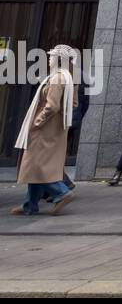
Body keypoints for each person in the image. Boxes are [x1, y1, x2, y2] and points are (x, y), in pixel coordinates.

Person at [11, 44, 78, 216]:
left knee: (36, 164)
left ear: (59, 59)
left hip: (45, 129)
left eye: (51, 56)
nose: (49, 59)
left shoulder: (57, 78)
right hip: (55, 128)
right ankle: (30, 205)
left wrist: (38, 122)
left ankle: (61, 192)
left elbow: (52, 105)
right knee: (37, 165)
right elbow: (73, 104)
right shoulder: (68, 77)